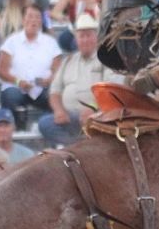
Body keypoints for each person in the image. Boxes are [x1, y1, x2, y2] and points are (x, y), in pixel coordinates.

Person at [40, 14, 121, 147]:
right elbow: (54, 91)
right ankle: (77, 146)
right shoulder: (68, 61)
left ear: (96, 37)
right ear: (76, 39)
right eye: (81, 36)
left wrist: (93, 109)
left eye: (88, 35)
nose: (85, 40)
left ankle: (79, 146)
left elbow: (109, 89)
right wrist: (59, 110)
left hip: (98, 115)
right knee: (45, 123)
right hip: (70, 116)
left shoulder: (105, 59)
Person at [0, 3, 61, 128]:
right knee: (11, 96)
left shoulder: (50, 42)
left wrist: (49, 80)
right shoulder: (12, 41)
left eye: (37, 17)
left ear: (41, 21)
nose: (33, 20)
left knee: (56, 96)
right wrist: (18, 81)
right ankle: (18, 129)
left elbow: (57, 69)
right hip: (16, 86)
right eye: (30, 16)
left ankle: (48, 128)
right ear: (23, 20)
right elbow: (2, 70)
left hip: (42, 87)